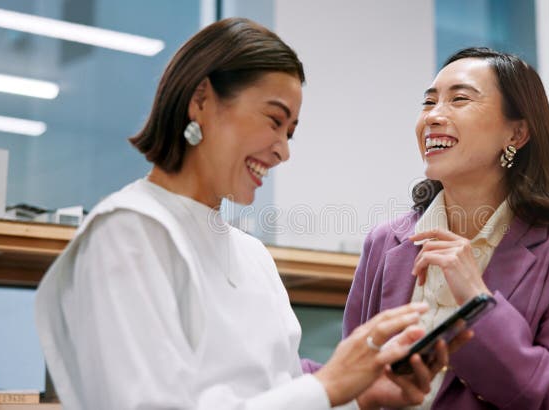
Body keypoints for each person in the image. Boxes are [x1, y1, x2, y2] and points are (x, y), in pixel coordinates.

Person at [34, 18, 456, 410]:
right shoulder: (127, 232)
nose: (283, 150)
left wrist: (358, 397)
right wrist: (329, 385)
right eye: (274, 120)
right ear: (201, 100)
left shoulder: (253, 256)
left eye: (290, 132)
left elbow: (278, 392)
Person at [343, 47, 549, 409]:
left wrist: (477, 301)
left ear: (516, 134)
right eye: (428, 102)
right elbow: (348, 380)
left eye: (459, 99)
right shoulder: (383, 242)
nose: (433, 117)